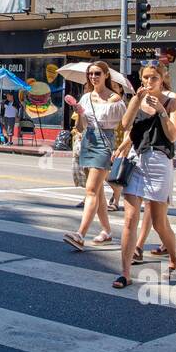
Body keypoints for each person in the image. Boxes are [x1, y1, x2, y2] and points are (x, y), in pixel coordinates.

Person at [110, 60, 176, 290]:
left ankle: (174, 259)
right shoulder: (137, 99)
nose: (149, 82)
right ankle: (125, 272)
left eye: (153, 78)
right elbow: (126, 124)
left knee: (159, 222)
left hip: (160, 162)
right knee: (130, 219)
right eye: (145, 78)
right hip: (137, 160)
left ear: (162, 79)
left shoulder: (173, 100)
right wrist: (135, 101)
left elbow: (172, 136)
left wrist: (161, 111)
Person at [63, 62, 124, 252]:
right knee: (97, 192)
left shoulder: (115, 99)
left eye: (97, 73)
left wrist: (122, 147)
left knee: (90, 190)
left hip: (104, 142)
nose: (93, 77)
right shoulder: (86, 97)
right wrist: (79, 113)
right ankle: (106, 230)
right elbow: (81, 127)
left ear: (106, 75)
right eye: (90, 74)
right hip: (88, 141)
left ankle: (80, 234)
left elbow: (122, 124)